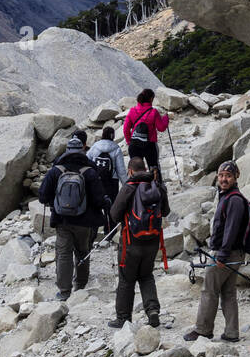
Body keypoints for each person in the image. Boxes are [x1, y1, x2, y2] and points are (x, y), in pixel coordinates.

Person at [37, 132, 109, 301]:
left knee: (63, 254)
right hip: (85, 221)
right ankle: (81, 285)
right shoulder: (90, 171)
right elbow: (99, 199)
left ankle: (64, 291)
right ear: (83, 149)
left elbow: (42, 196)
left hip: (63, 220)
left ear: (67, 150)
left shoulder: (56, 170)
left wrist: (53, 202)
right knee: (83, 251)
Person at [184, 160, 247, 342]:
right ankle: (231, 333)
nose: (224, 179)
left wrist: (222, 254)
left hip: (225, 253)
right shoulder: (228, 196)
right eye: (221, 175)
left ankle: (203, 330)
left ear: (236, 177)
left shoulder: (234, 200)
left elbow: (231, 229)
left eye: (228, 176)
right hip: (232, 252)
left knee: (209, 290)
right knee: (228, 293)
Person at [107, 156, 169, 328]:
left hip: (130, 242)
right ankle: (153, 310)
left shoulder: (129, 187)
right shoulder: (158, 186)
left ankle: (123, 317)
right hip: (152, 242)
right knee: (146, 276)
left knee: (126, 279)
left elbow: (114, 214)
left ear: (130, 171)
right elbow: (166, 211)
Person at [122, 89, 169, 175]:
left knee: (135, 169)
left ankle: (136, 187)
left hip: (134, 144)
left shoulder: (132, 111)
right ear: (151, 99)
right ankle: (155, 186)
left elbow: (125, 129)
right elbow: (161, 128)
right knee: (153, 168)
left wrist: (129, 141)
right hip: (150, 145)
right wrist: (166, 119)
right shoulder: (154, 112)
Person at [87, 125, 127, 226]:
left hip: (97, 180)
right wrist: (126, 185)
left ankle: (95, 227)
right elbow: (121, 170)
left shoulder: (95, 146)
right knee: (112, 206)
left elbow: (87, 162)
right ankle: (109, 230)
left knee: (96, 203)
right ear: (112, 136)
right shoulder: (116, 148)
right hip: (112, 181)